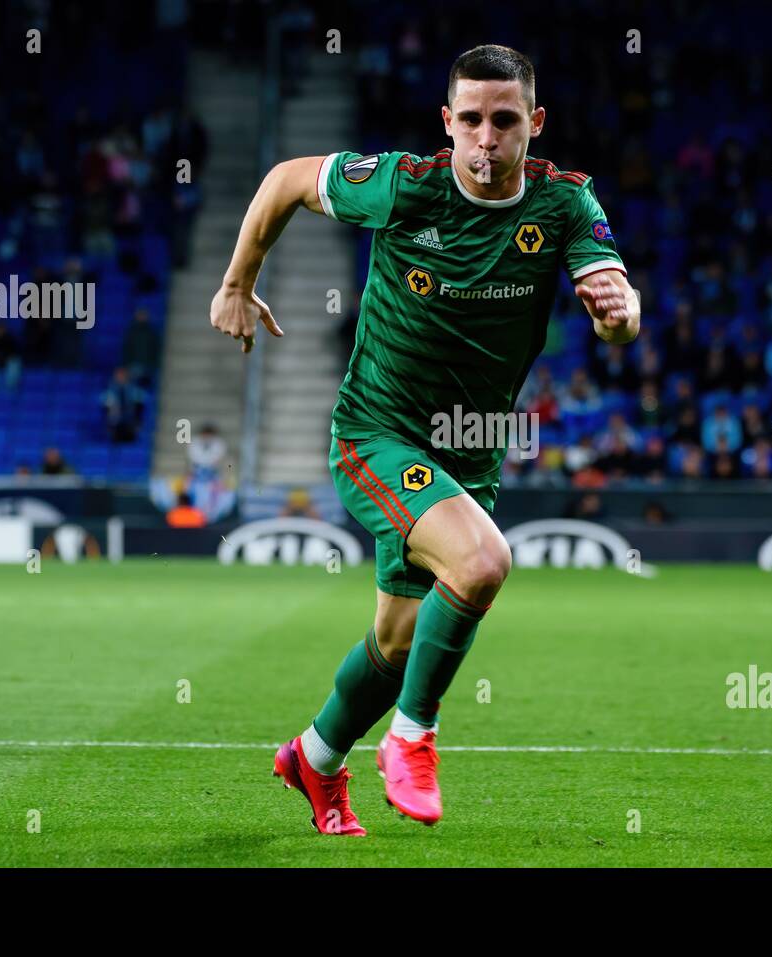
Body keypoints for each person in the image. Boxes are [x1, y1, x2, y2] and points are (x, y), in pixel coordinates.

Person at [209, 45, 638, 836]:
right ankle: (412, 738)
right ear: (448, 123)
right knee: (482, 561)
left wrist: (620, 312)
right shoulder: (405, 186)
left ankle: (315, 756)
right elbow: (284, 182)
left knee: (398, 642)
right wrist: (238, 282)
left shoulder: (565, 205)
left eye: (504, 121)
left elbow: (617, 312)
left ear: (534, 125)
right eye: (469, 119)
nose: (486, 139)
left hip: (470, 453)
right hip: (377, 434)